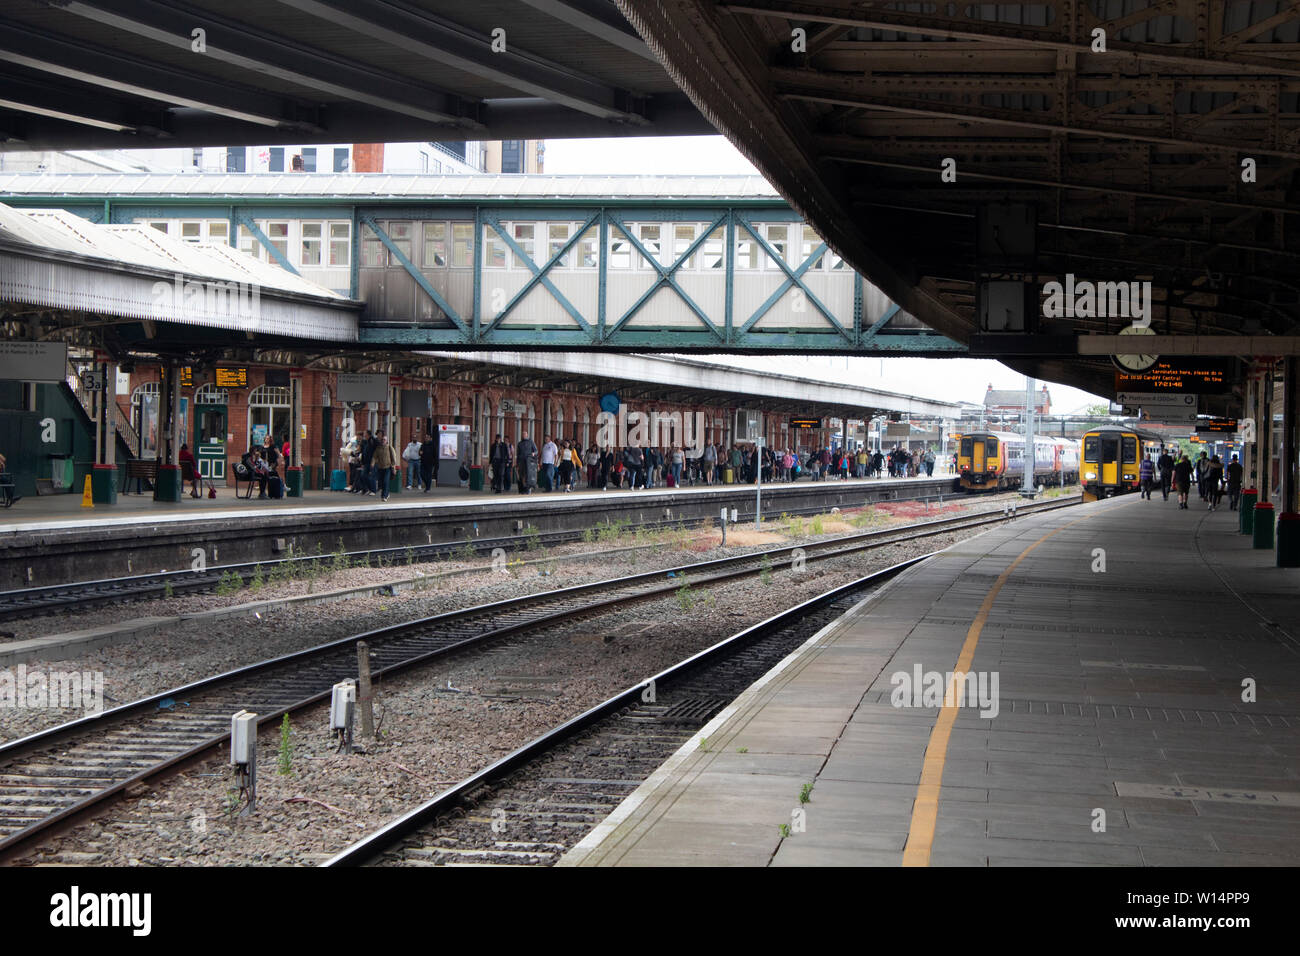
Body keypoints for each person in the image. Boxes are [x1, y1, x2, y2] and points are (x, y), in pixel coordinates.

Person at [371, 432, 399, 501]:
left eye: (384, 440)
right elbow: (374, 457)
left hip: (388, 467)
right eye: (382, 440)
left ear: (387, 441)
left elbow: (393, 457)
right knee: (381, 482)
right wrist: (372, 463)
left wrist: (393, 467)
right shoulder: (378, 448)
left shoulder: (389, 447)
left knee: (386, 481)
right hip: (380, 467)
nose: (383, 441)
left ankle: (384, 496)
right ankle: (386, 493)